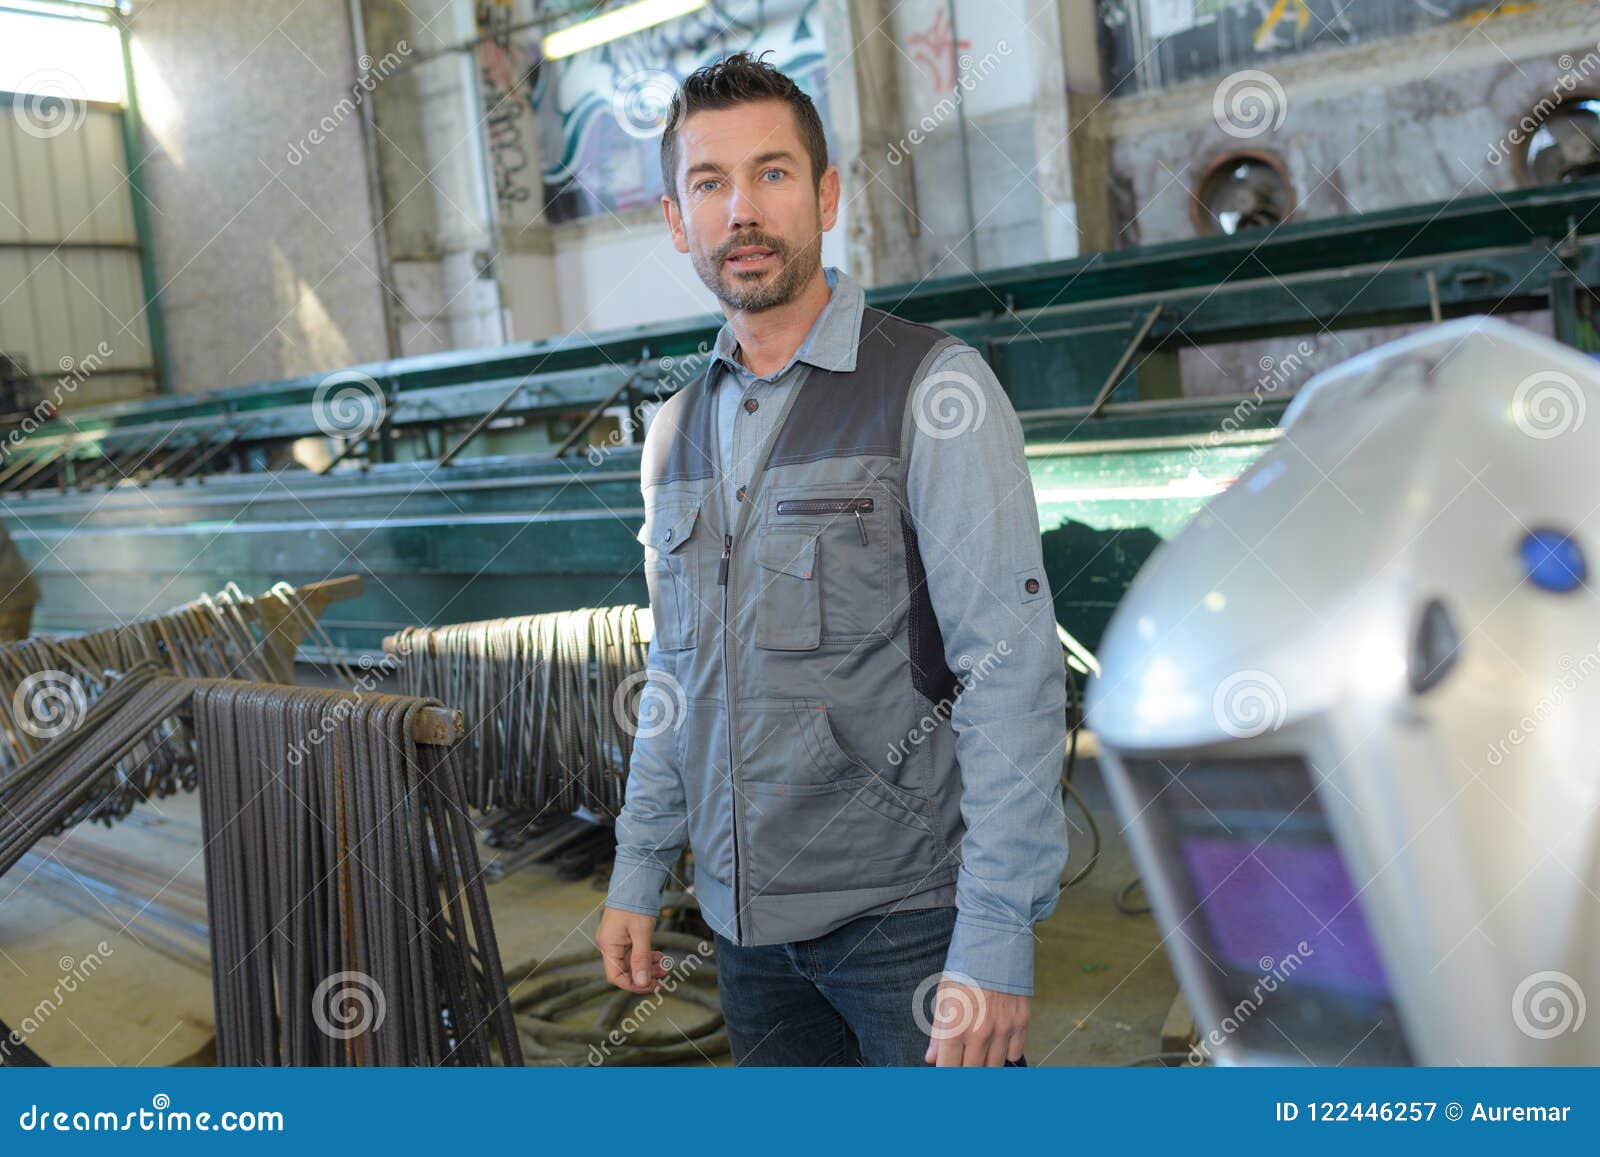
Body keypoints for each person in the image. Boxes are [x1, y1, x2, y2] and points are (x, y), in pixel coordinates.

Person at [595, 51, 1069, 1067]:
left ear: (826, 194)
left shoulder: (933, 389)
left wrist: (996, 930)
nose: (742, 212)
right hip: (742, 933)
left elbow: (1010, 669)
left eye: (771, 173)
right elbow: (673, 675)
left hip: (907, 921)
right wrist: (640, 865)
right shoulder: (672, 430)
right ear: (678, 221)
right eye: (708, 184)